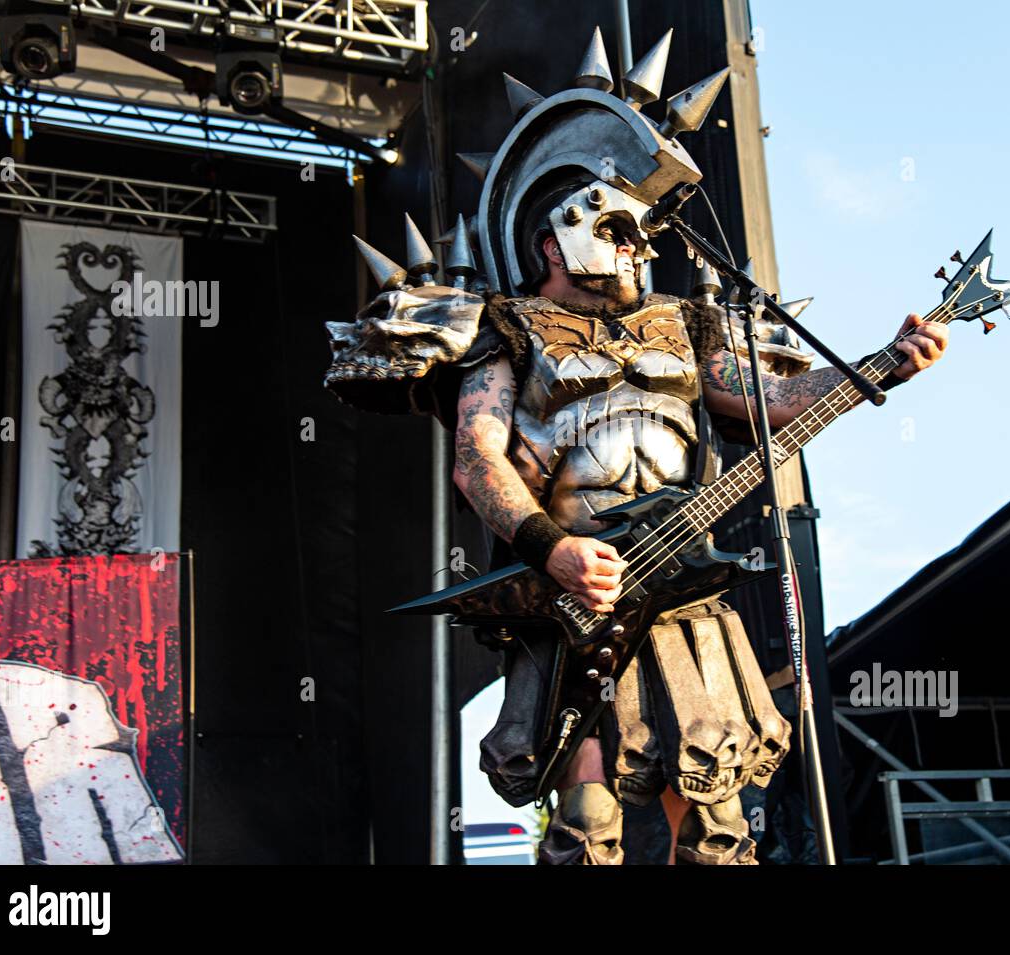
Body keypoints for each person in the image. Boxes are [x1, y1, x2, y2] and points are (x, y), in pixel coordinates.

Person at [323, 27, 947, 864]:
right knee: (587, 829)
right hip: (576, 596)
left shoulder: (685, 324)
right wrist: (553, 548)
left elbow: (769, 402)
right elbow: (477, 455)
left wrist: (883, 365)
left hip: (685, 594)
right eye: (616, 226)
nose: (636, 244)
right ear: (556, 235)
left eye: (641, 231)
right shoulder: (506, 329)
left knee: (720, 831)